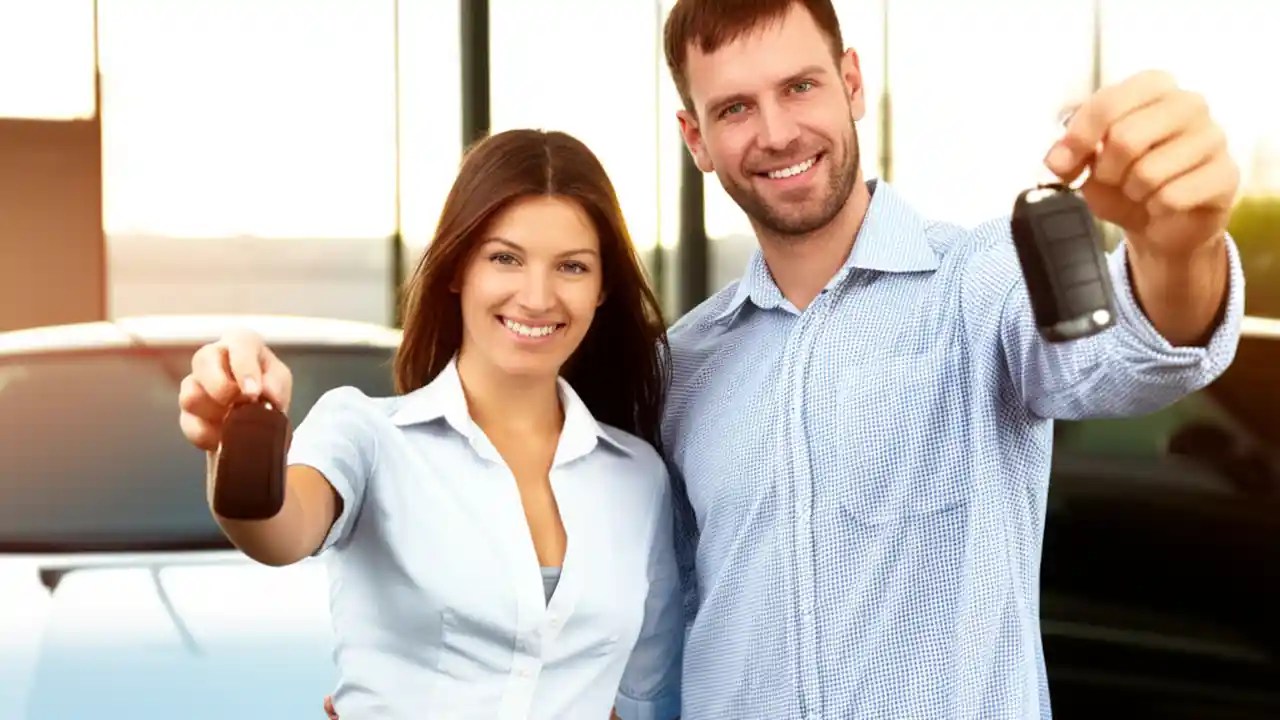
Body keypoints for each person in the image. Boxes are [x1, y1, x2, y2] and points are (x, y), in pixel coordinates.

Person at [657, 0, 1244, 718]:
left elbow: (1127, 357)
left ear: (851, 84)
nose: (777, 133)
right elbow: (672, 622)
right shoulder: (681, 367)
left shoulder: (980, 284)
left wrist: (1180, 253)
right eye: (735, 108)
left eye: (800, 87)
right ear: (696, 138)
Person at [177, 128, 684, 719]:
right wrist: (237, 429)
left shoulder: (638, 477)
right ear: (457, 268)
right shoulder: (366, 435)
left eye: (572, 267)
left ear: (601, 289)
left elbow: (646, 700)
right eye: (505, 258)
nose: (537, 297)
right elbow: (276, 532)